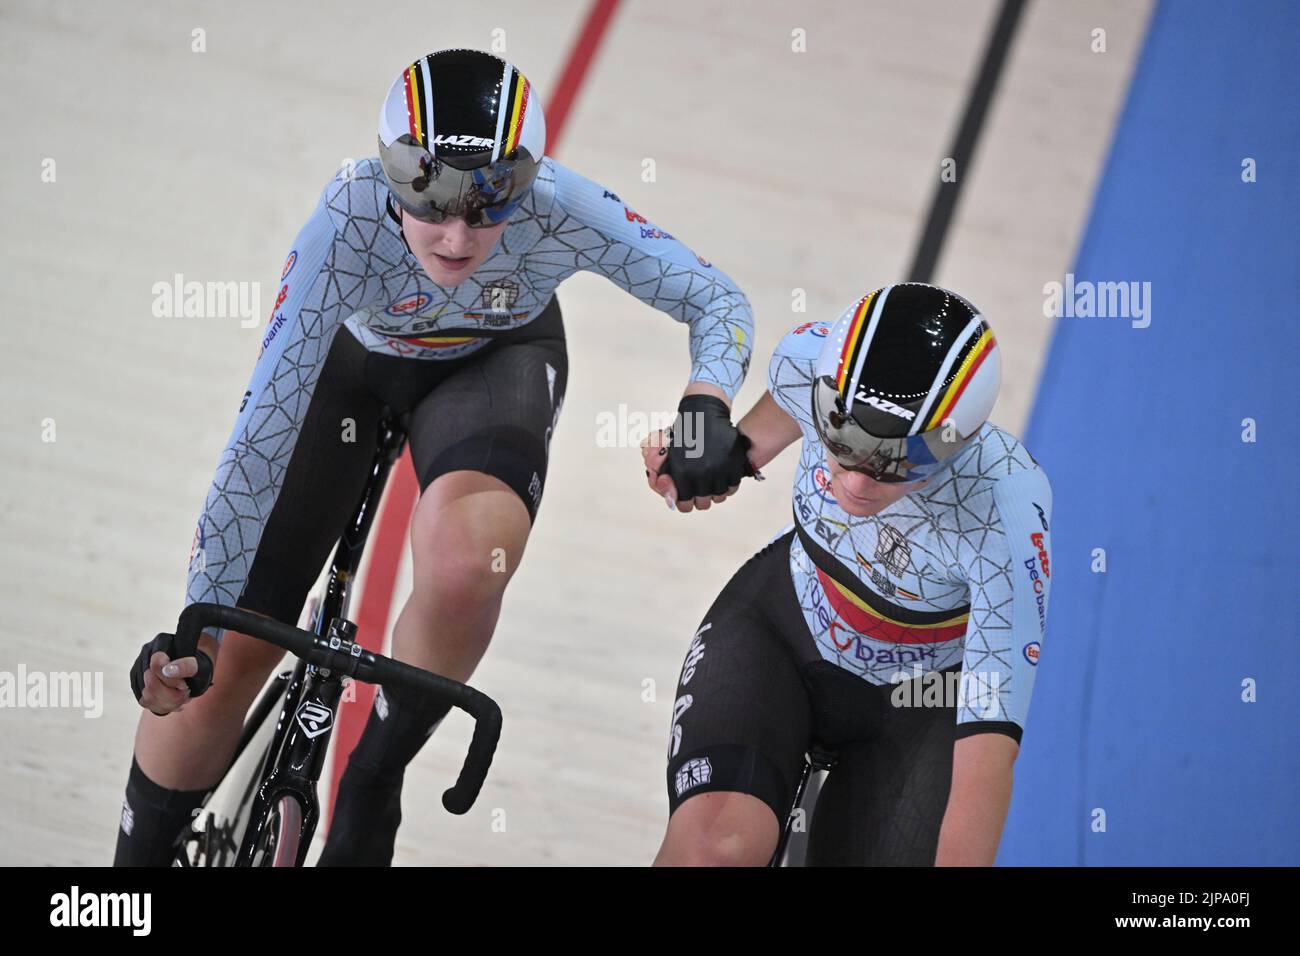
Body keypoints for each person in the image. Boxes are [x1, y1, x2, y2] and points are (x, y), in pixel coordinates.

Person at [116, 48, 755, 867]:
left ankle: (375, 776)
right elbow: (264, 428)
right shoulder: (345, 215)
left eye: (489, 208)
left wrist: (706, 402)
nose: (458, 237)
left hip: (493, 364)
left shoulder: (559, 204)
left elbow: (715, 298)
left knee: (467, 564)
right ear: (391, 176)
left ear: (525, 184)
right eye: (432, 202)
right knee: (217, 666)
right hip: (352, 369)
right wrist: (196, 620)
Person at [646, 283, 1053, 866]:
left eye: (897, 463)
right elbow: (733, 454)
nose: (858, 483)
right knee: (713, 851)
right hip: (781, 634)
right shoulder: (806, 362)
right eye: (843, 442)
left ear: (956, 443)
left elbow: (987, 751)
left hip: (920, 703)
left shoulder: (1006, 508)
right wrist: (686, 458)